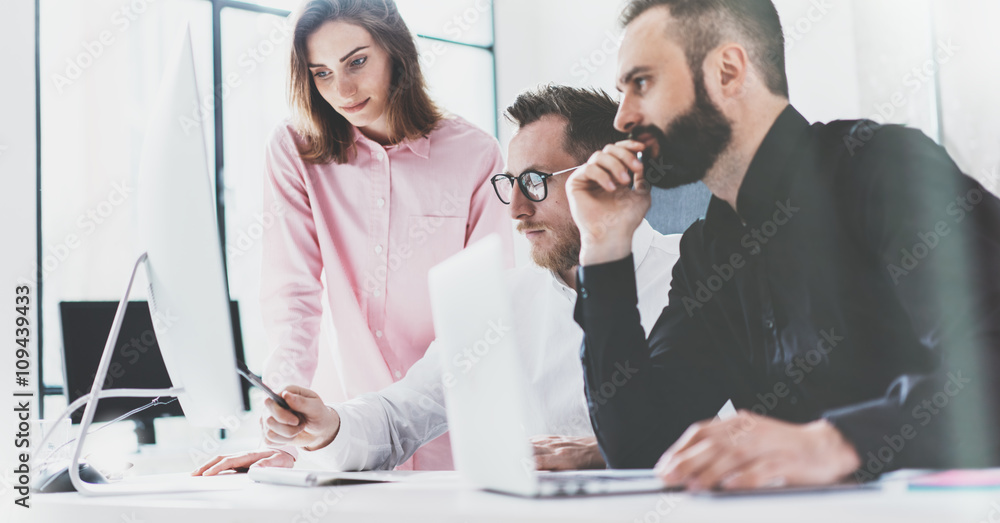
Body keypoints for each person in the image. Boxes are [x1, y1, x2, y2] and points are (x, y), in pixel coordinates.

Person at [566, 0, 1000, 491]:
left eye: (641, 83)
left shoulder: (884, 169)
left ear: (728, 71)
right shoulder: (708, 253)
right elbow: (641, 449)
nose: (622, 119)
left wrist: (833, 440)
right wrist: (604, 247)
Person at [194, 86, 682, 475]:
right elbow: (402, 414)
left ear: (608, 175)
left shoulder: (693, 273)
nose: (515, 208)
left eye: (535, 182)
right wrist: (327, 427)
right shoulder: (505, 300)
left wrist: (605, 450)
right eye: (508, 184)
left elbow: (737, 426)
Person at [195, 0, 512, 474]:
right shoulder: (295, 150)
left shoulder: (477, 155)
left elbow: (479, 319)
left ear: (395, 51)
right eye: (320, 73)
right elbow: (291, 297)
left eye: (356, 62)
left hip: (454, 441)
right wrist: (284, 421)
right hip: (337, 445)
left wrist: (389, 419)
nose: (341, 90)